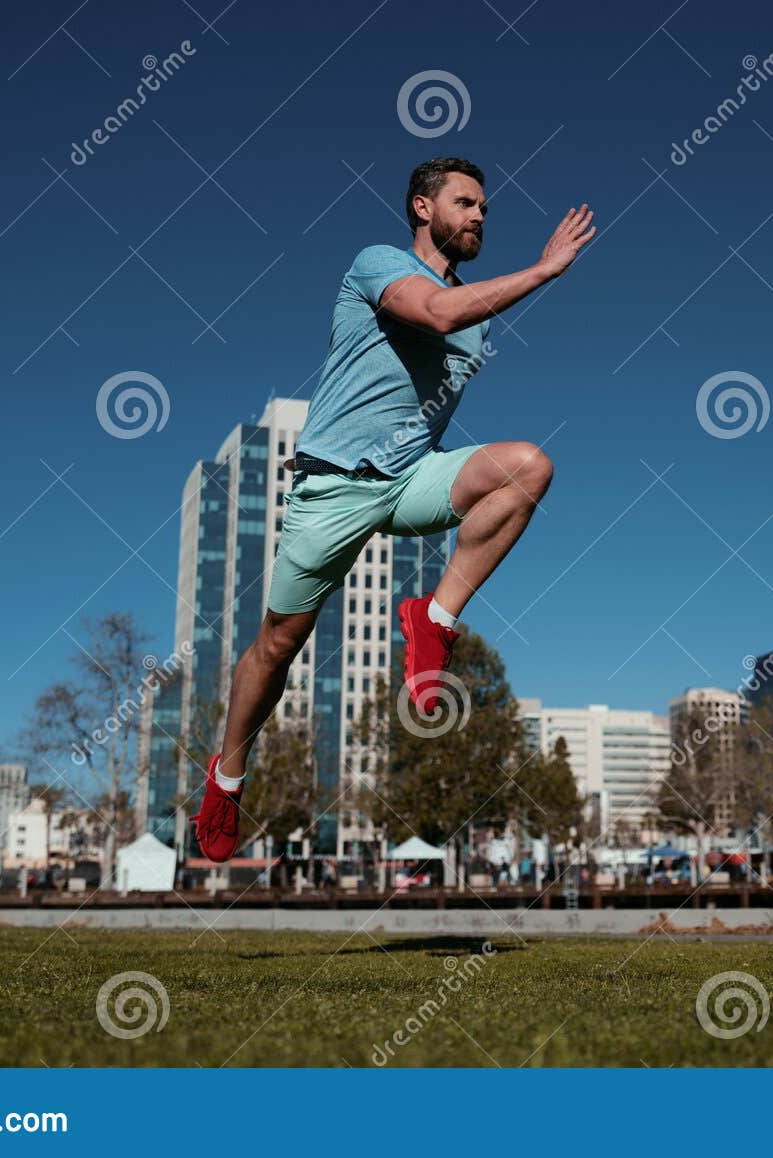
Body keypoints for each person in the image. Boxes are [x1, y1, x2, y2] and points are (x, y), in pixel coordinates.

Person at [191, 157, 596, 861]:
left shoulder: (480, 323)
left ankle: (432, 619)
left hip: (410, 480)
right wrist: (543, 271)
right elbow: (435, 310)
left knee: (530, 467)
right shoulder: (377, 263)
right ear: (421, 207)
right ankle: (226, 777)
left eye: (484, 209)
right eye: (466, 204)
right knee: (278, 645)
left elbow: (433, 381)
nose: (479, 217)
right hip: (334, 487)